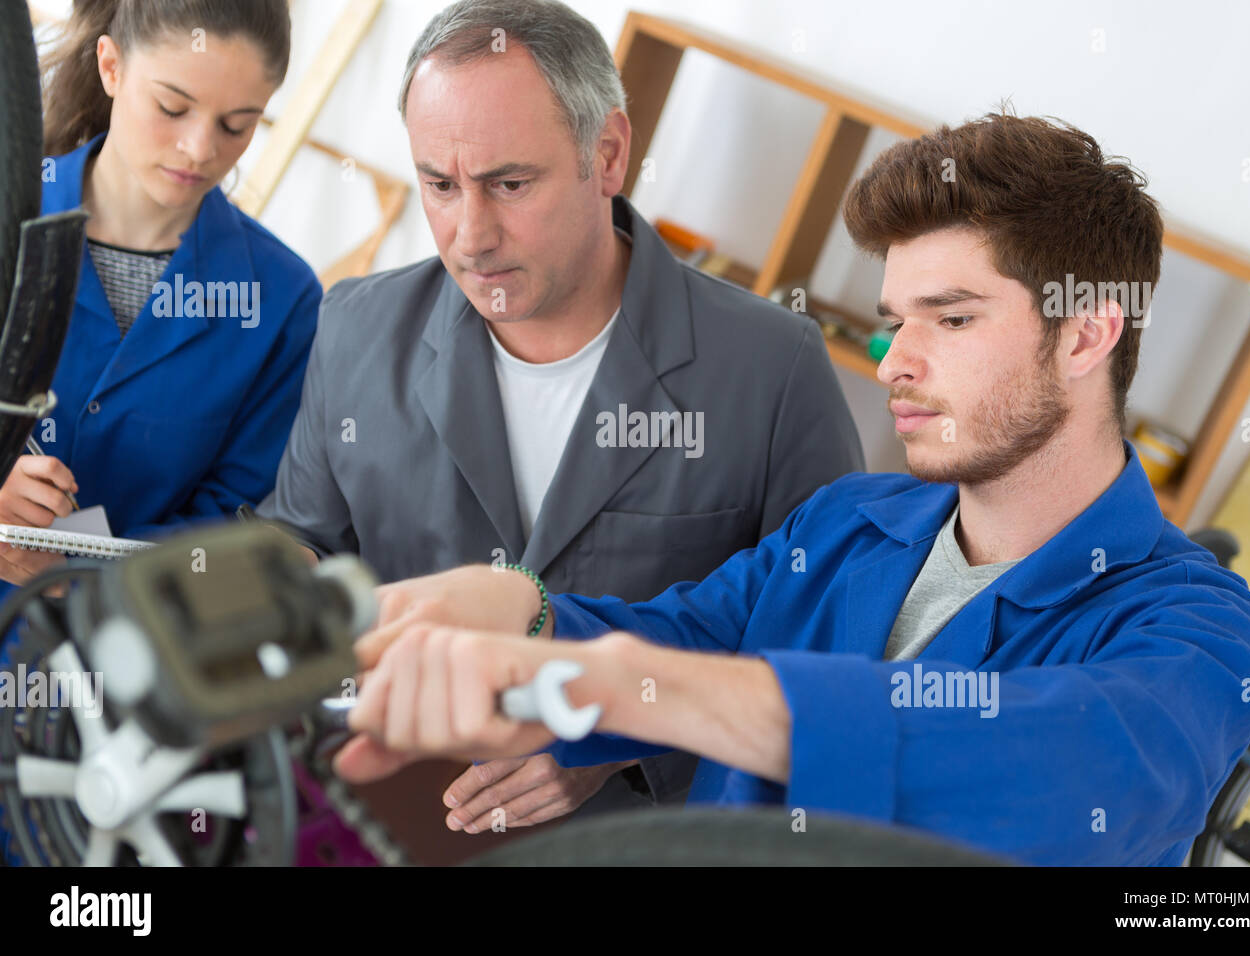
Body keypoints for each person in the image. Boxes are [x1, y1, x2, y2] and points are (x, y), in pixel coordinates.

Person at [330, 113, 1250, 866]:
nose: (892, 362)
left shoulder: (1203, 633)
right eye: (892, 321)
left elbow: (1057, 772)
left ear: (1084, 335)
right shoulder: (850, 520)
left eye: (949, 319)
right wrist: (518, 611)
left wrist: (611, 688)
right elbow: (687, 637)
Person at [256, 0, 864, 830]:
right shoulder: (355, 324)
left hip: (636, 839)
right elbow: (307, 538)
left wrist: (612, 731)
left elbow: (826, 638)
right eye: (439, 185)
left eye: (510, 184)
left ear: (607, 154)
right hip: (390, 819)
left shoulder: (775, 366)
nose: (471, 235)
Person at [0, 0, 319, 863]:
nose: (198, 150)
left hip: (121, 706)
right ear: (111, 69)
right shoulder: (7, 221)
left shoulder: (283, 300)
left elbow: (242, 521)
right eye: (171, 108)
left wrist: (78, 570)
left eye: (237, 125)